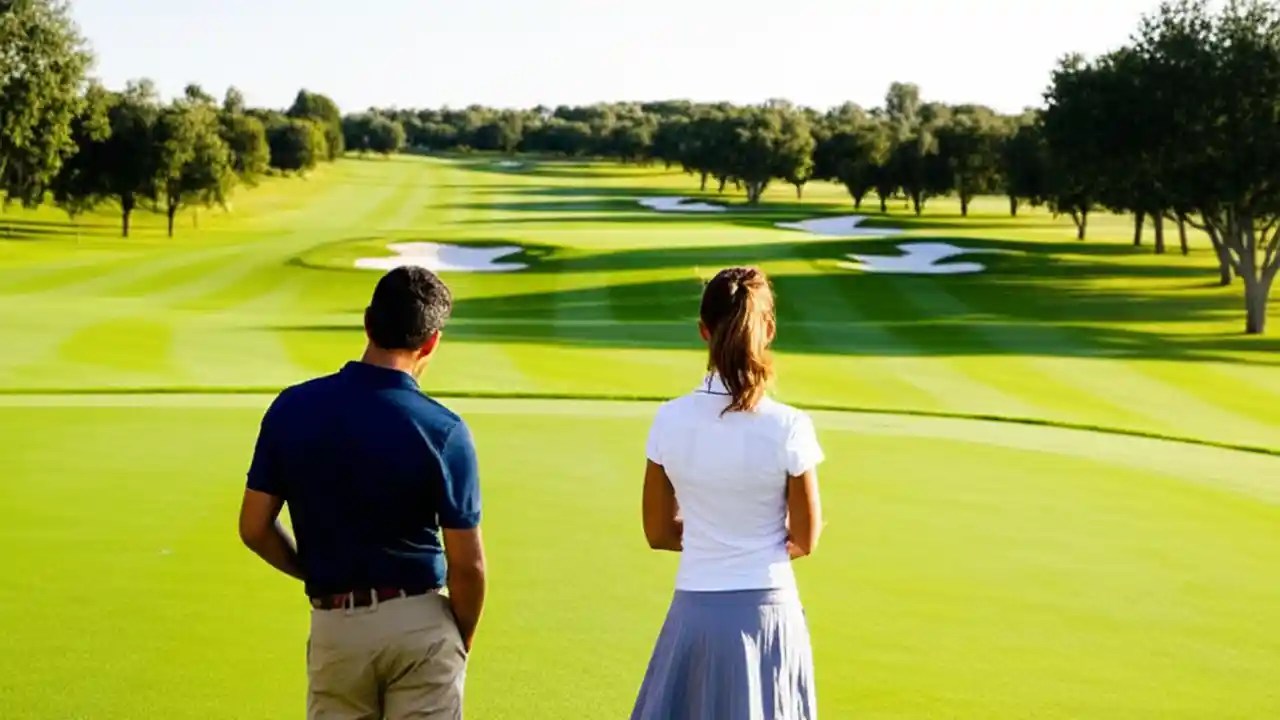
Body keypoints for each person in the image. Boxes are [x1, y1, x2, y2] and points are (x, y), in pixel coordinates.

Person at [238, 266, 486, 720]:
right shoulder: (444, 430)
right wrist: (460, 636)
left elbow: (254, 527)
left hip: (336, 624)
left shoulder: (291, 409)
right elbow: (467, 566)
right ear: (430, 343)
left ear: (368, 323)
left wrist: (310, 570)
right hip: (421, 622)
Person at [632, 266, 824, 720]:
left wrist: (709, 535)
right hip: (770, 615)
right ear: (769, 330)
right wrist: (750, 540)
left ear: (704, 331)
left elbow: (658, 531)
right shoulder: (790, 426)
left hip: (695, 616)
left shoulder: (670, 419)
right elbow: (807, 536)